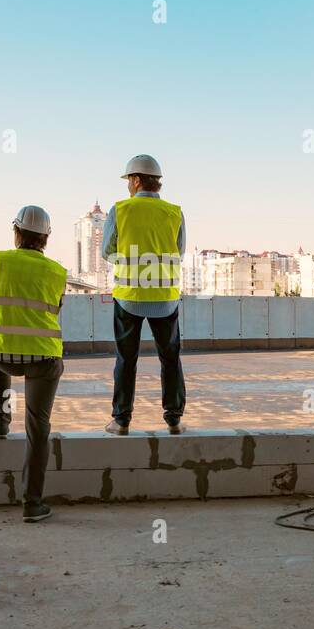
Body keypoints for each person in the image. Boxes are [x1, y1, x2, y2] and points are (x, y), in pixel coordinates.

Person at [0, 206, 67, 522]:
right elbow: (52, 313)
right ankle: (32, 504)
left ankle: (1, 420)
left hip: (4, 357)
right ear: (46, 238)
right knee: (38, 429)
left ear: (16, 232)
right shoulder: (58, 272)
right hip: (43, 360)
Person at [102, 154, 186, 435]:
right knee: (170, 357)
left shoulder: (120, 210)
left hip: (130, 296)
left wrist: (128, 260)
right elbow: (180, 252)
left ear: (136, 180)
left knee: (126, 359)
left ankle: (121, 420)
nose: (128, 186)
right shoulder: (175, 212)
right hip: (165, 297)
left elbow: (106, 252)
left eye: (129, 181)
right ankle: (174, 418)